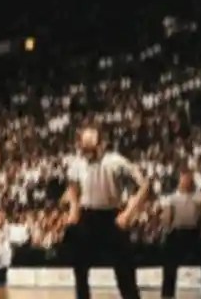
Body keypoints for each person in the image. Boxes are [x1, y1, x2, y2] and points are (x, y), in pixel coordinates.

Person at [64, 126, 149, 299]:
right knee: (79, 268)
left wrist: (128, 213)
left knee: (124, 271)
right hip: (87, 216)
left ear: (101, 144)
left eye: (91, 148)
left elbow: (144, 185)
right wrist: (74, 209)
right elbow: (72, 186)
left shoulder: (116, 161)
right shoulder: (77, 163)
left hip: (112, 217)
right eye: (84, 148)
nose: (87, 152)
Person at [159, 169, 201, 299]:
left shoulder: (199, 196)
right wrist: (165, 226)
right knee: (169, 264)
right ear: (180, 180)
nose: (187, 181)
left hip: (194, 234)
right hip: (177, 234)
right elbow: (167, 218)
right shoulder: (172, 198)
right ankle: (167, 295)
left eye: (189, 178)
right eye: (184, 178)